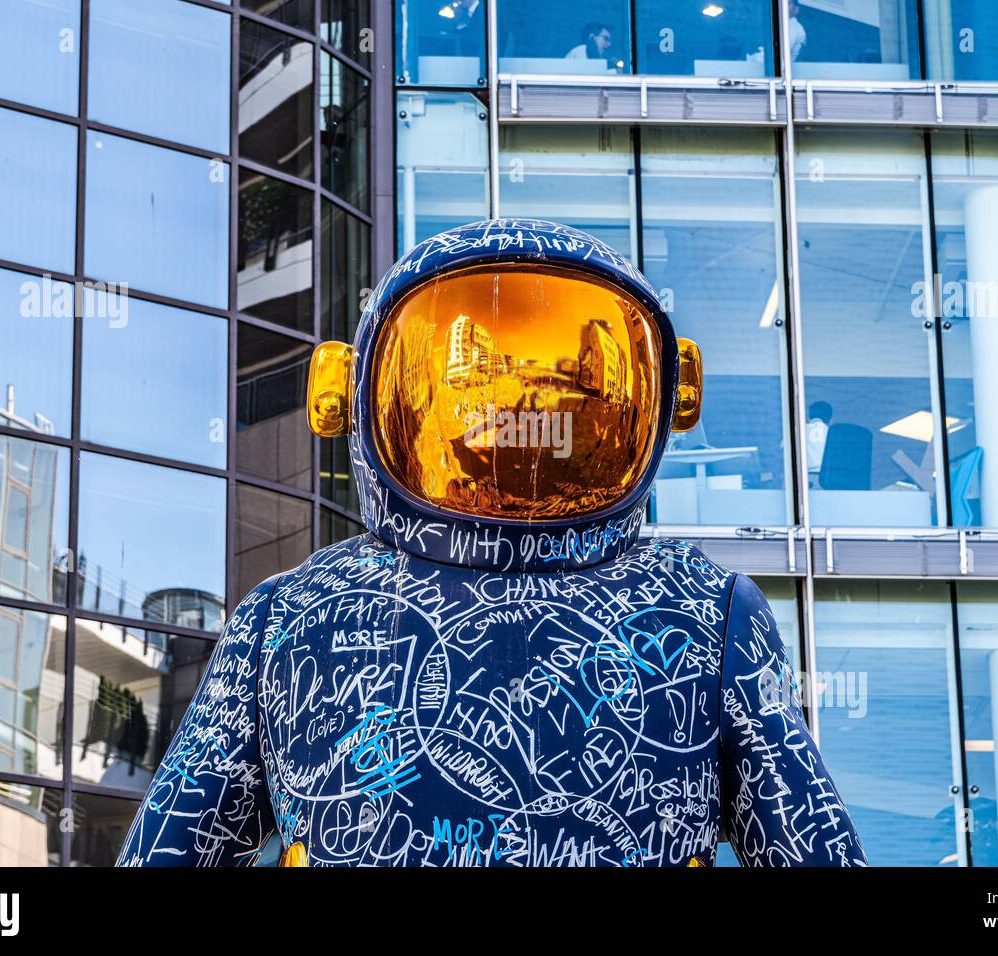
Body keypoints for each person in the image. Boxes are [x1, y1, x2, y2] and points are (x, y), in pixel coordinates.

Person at [116, 219, 867, 868]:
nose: (517, 407)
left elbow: (172, 844)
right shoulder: (708, 613)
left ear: (344, 396)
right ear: (670, 396)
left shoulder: (286, 618)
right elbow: (815, 843)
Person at [806, 400, 833, 485]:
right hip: (826, 478)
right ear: (831, 420)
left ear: (808, 418)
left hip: (802, 477)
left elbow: (784, 448)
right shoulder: (832, 433)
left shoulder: (798, 430)